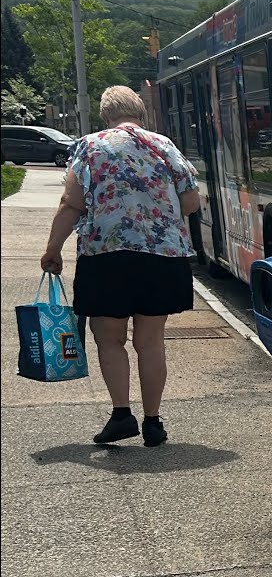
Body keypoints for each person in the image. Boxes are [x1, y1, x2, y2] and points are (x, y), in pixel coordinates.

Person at [40, 86, 201, 447]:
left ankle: (121, 415)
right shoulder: (164, 145)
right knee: (151, 340)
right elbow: (191, 201)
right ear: (139, 111)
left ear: (106, 114)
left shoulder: (90, 146)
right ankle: (154, 422)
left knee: (110, 338)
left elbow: (71, 203)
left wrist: (53, 248)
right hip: (162, 255)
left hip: (106, 255)